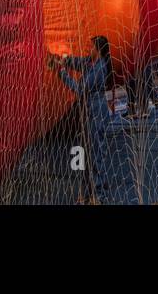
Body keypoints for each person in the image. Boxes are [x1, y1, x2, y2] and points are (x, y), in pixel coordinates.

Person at [51, 36, 114, 198]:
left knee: (95, 153)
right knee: (86, 152)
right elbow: (77, 62)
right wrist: (64, 59)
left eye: (91, 47)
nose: (88, 49)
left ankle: (98, 195)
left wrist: (63, 74)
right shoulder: (90, 62)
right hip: (89, 110)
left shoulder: (100, 68)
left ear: (98, 50)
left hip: (97, 111)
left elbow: (80, 89)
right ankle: (90, 191)